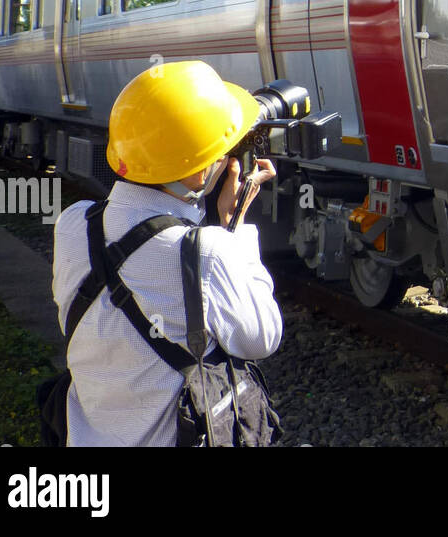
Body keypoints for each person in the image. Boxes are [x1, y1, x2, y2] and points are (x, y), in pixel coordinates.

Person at [51, 60, 283, 446]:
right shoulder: (208, 252)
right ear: (200, 173)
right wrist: (235, 228)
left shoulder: (75, 224)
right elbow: (262, 337)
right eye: (224, 153)